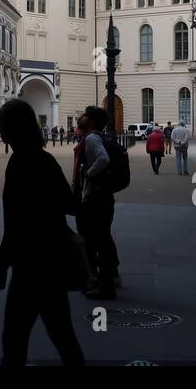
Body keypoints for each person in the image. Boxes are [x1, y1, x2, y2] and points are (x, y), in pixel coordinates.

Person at [0, 99, 85, 366]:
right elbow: (70, 206)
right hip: (51, 259)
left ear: (11, 129)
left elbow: (16, 225)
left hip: (30, 266)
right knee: (63, 337)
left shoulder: (19, 163)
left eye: (3, 124)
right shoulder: (45, 159)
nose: (0, 131)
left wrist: (0, 266)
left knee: (14, 341)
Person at [72, 105, 118, 299]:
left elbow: (103, 159)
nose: (83, 117)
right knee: (102, 237)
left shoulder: (91, 138)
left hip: (95, 197)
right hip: (101, 196)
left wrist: (88, 174)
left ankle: (104, 283)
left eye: (86, 116)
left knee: (96, 239)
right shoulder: (96, 136)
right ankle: (107, 277)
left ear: (90, 121)